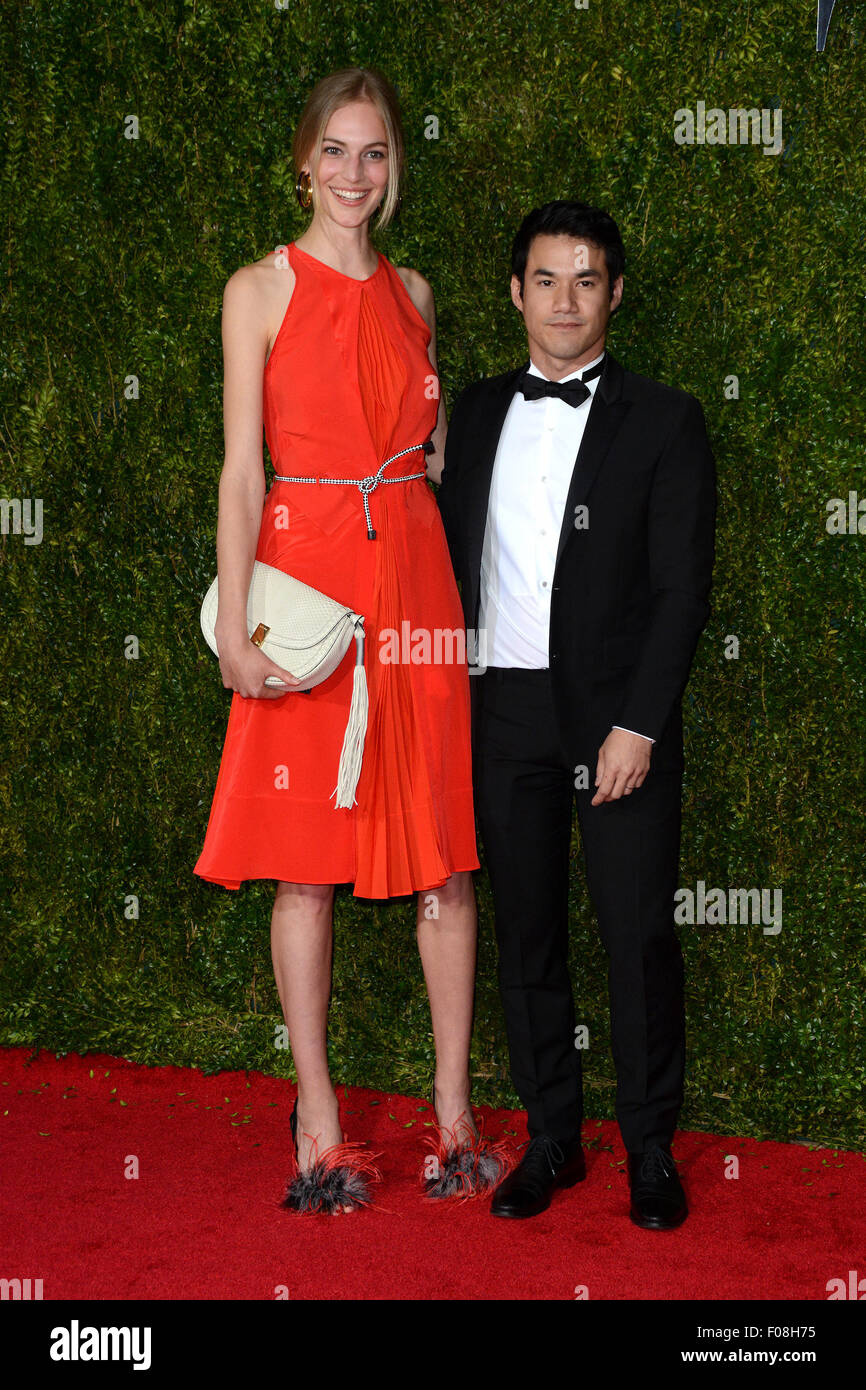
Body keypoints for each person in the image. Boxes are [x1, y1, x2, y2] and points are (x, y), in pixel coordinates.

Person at [194, 68, 508, 1212]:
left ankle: (454, 1110)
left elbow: (425, 450)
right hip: (307, 579)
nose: (352, 176)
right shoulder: (258, 289)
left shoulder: (416, 290)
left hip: (414, 580)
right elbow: (240, 469)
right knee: (303, 863)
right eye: (334, 151)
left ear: (393, 168)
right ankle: (317, 1114)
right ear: (302, 159)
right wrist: (235, 623)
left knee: (442, 854)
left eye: (372, 154)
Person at [438, 200, 717, 1228]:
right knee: (527, 936)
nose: (564, 299)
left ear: (613, 293)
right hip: (501, 711)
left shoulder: (663, 418)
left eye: (585, 279)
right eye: (545, 279)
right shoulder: (471, 413)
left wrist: (638, 725)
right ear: (515, 292)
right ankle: (550, 1134)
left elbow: (682, 588)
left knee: (637, 934)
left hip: (614, 723)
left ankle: (649, 1147)